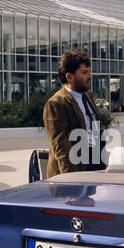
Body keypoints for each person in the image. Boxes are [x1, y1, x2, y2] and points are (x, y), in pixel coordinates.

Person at [43, 49, 104, 178]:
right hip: (76, 170)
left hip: (96, 165)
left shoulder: (87, 95)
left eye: (89, 71)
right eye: (84, 72)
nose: (90, 75)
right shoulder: (56, 104)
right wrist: (72, 183)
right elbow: (62, 148)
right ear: (69, 77)